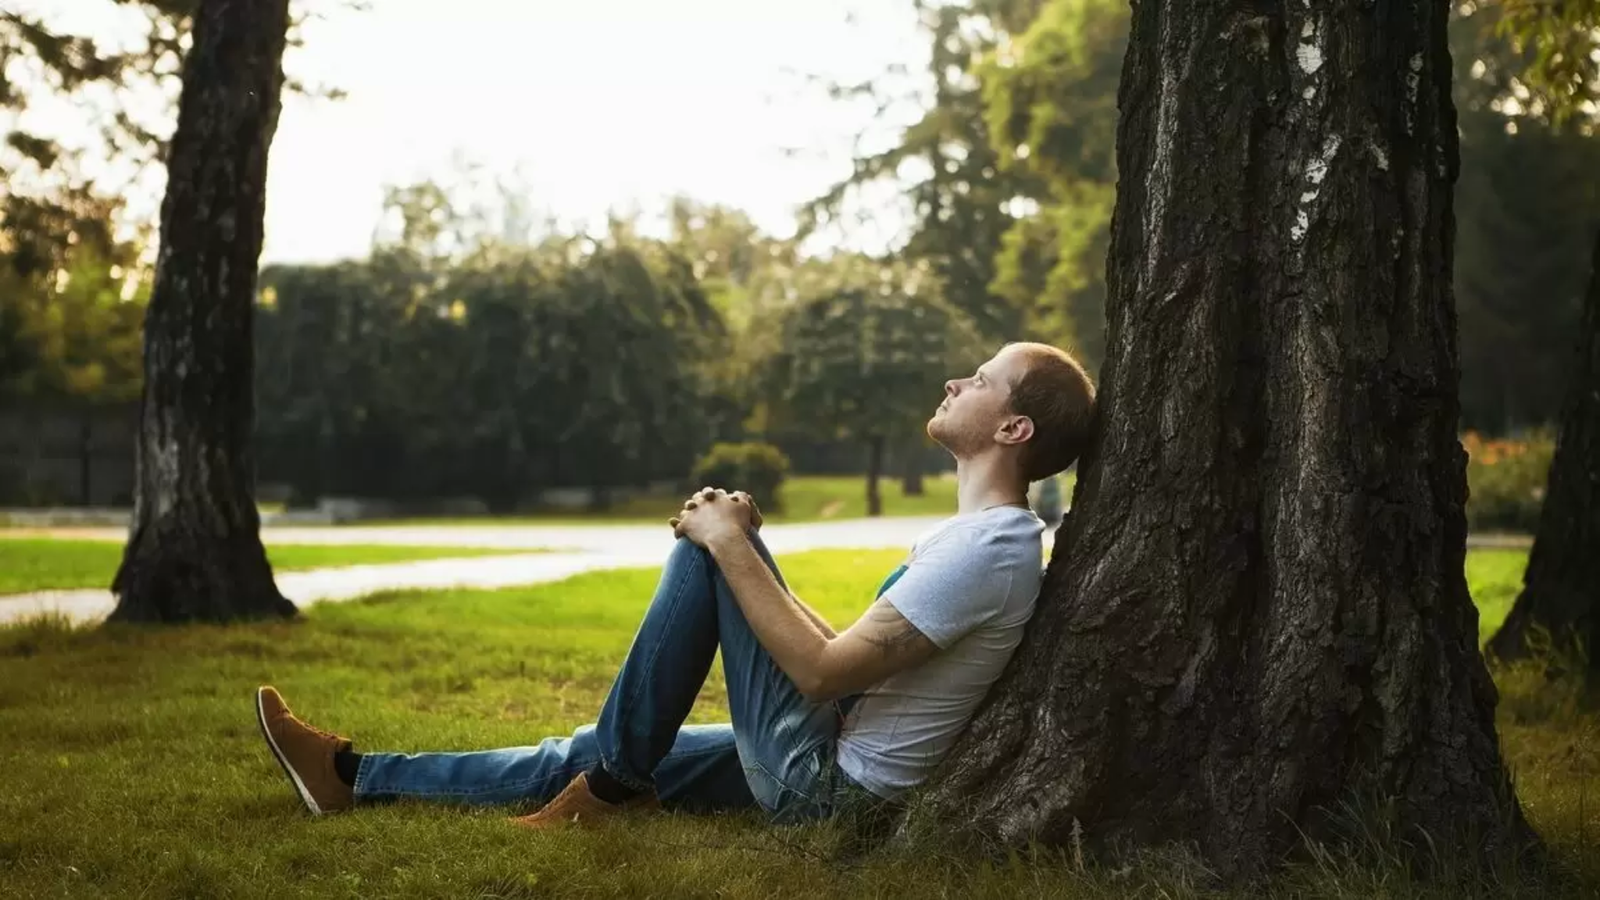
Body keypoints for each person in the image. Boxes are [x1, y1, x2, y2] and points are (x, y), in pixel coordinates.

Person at [255, 341, 1096, 833]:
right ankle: (351, 775)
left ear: (1013, 426)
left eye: (980, 380)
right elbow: (848, 659)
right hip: (827, 751)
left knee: (702, 554)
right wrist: (749, 549)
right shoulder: (975, 539)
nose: (955, 382)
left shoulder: (990, 548)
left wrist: (726, 547)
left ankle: (612, 788)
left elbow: (821, 674)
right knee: (580, 747)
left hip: (830, 793)